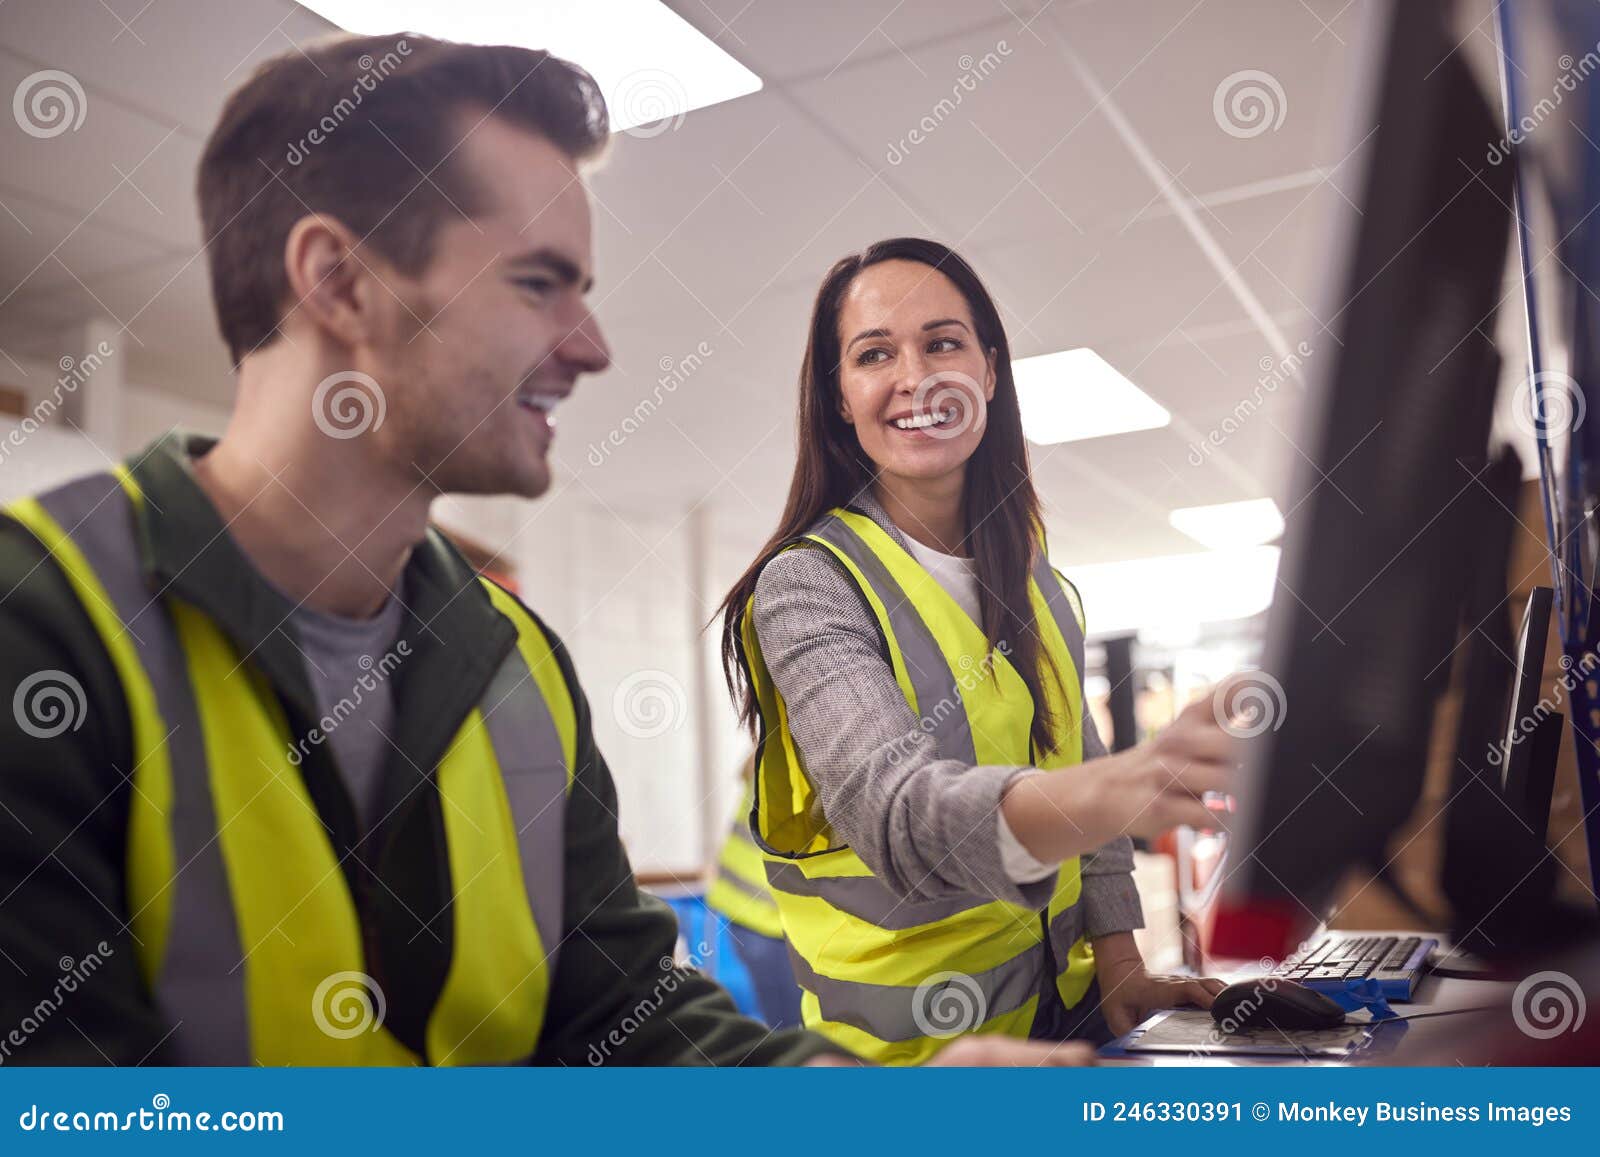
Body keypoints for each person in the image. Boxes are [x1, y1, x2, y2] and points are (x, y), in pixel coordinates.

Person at [0, 38, 1087, 1067]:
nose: (591, 345)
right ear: (337, 280)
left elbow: (621, 1017)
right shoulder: (40, 621)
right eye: (537, 283)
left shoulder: (516, 663)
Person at [718, 237, 1236, 1064]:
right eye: (874, 354)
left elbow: (1076, 758)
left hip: (1068, 1021)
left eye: (943, 342)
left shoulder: (1038, 579)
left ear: (989, 371)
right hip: (916, 1066)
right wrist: (1121, 784)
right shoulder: (808, 586)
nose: (915, 377)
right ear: (840, 398)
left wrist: (1122, 965)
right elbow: (898, 813)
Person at [704, 759, 802, 1029]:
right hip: (769, 922)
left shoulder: (776, 741)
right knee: (793, 1033)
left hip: (750, 915)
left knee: (787, 1030)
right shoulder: (805, 753)